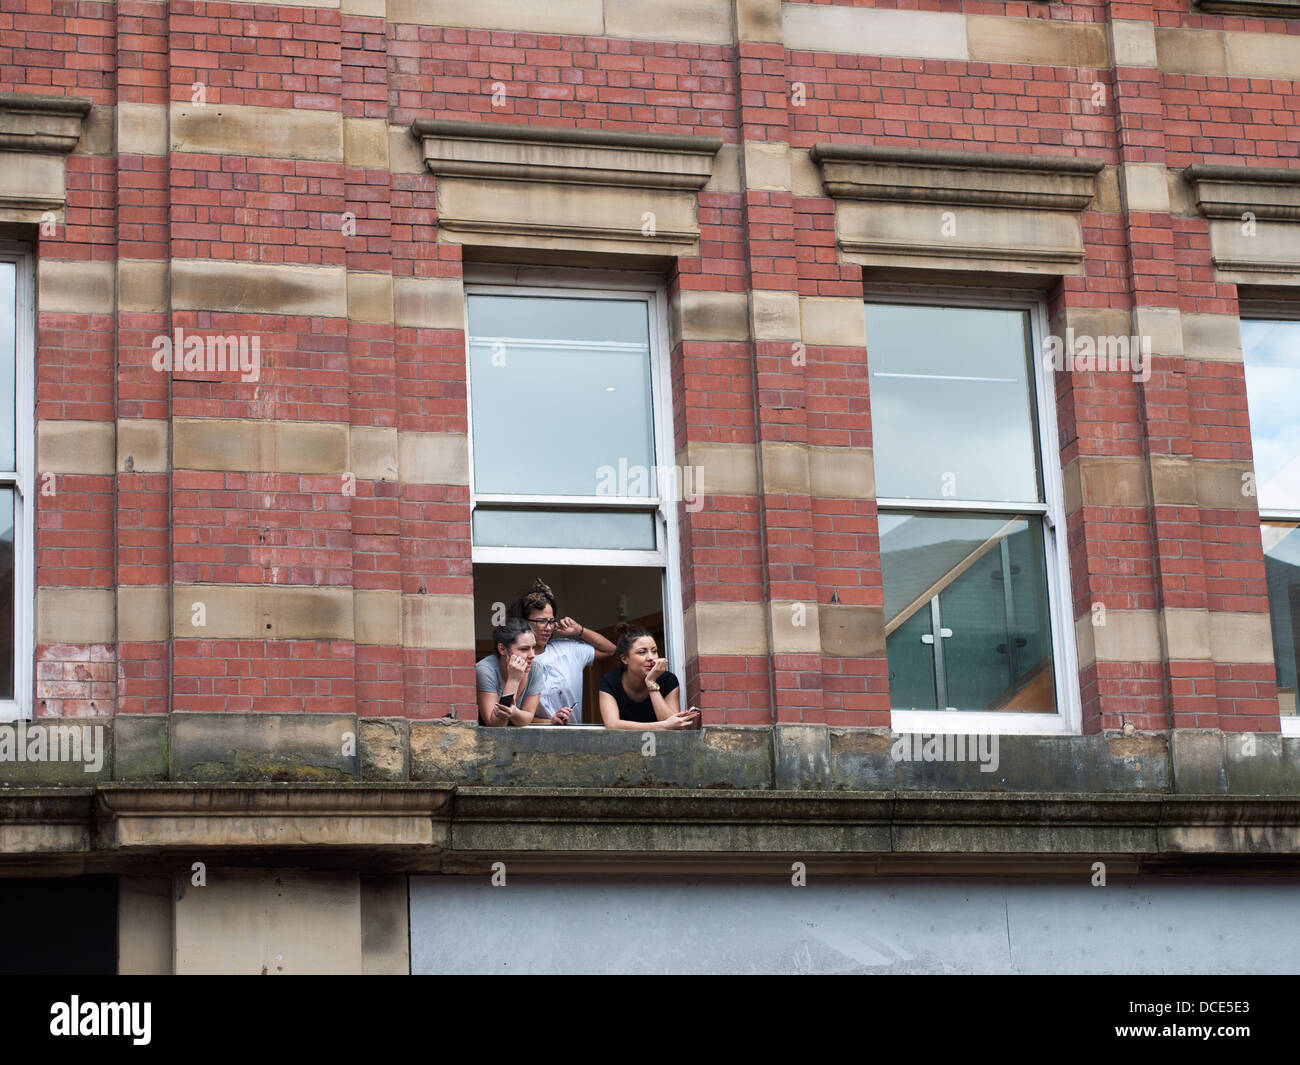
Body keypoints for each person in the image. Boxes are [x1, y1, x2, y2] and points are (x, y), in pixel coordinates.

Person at [509, 579, 616, 725]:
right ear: (524, 621)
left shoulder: (568, 649)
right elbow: (512, 715)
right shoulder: (515, 660)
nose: (548, 627)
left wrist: (580, 631)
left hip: (574, 737)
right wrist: (550, 722)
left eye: (552, 621)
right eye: (541, 621)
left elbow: (610, 650)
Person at [597, 623, 699, 731]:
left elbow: (673, 729)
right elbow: (613, 725)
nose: (651, 657)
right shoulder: (610, 681)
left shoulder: (668, 680)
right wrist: (663, 726)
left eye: (654, 651)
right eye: (642, 652)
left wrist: (651, 682)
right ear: (624, 659)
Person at [475, 617, 544, 727]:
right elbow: (496, 725)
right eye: (524, 649)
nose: (532, 655)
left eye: (533, 647)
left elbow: (528, 717)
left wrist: (514, 713)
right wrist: (513, 680)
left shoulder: (535, 668)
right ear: (502, 649)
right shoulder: (485, 670)